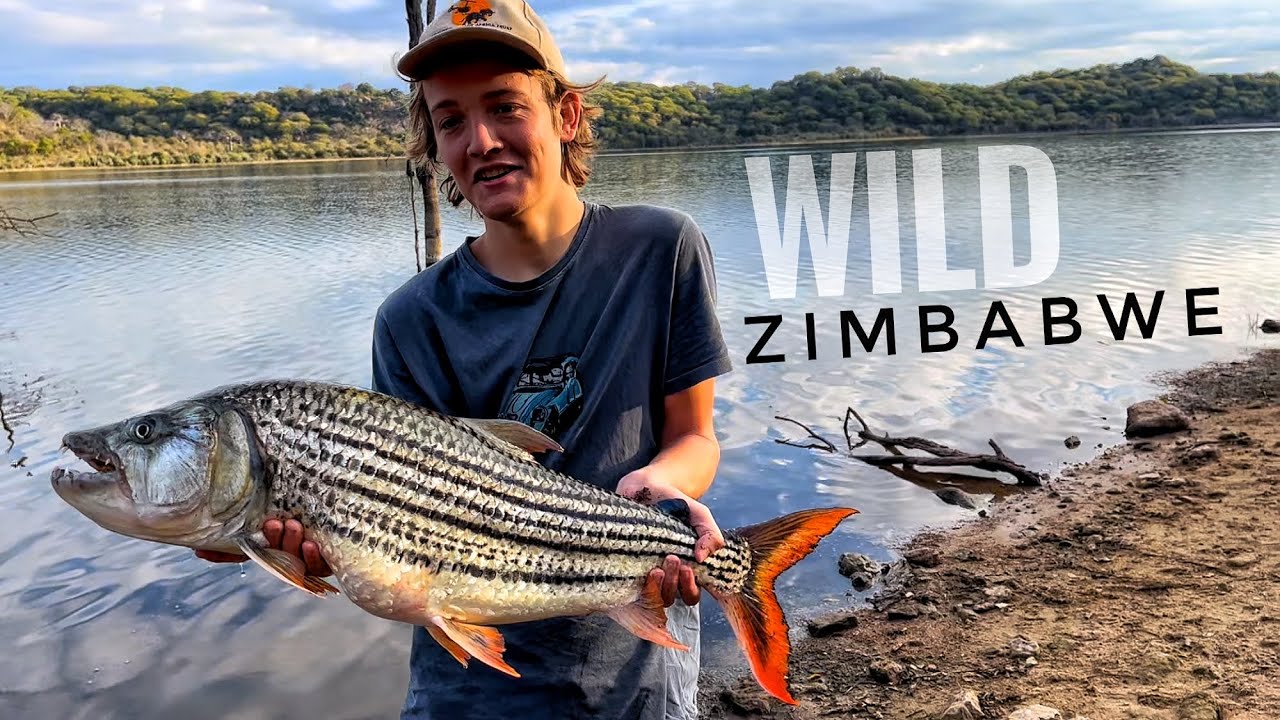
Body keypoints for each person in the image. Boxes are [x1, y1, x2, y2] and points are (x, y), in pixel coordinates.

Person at [197, 1, 734, 718]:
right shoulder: (411, 319)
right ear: (435, 143)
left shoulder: (662, 248)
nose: (480, 140)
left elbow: (694, 437)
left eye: (506, 106)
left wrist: (663, 491)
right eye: (451, 120)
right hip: (469, 685)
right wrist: (312, 544)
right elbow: (404, 523)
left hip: (634, 660)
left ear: (566, 115)